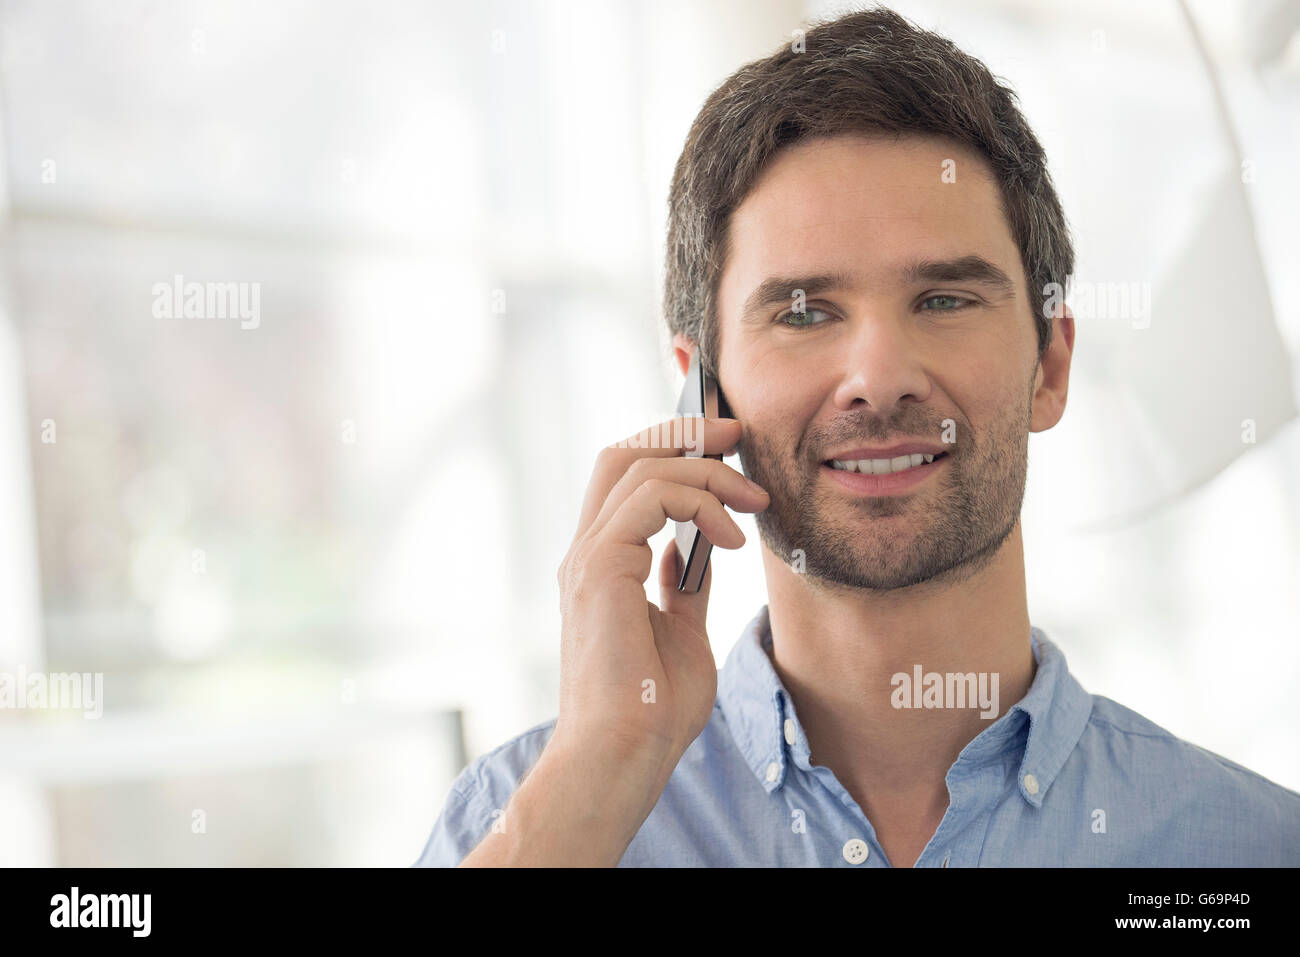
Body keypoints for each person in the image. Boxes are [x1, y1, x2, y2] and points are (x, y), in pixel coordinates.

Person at [415, 6, 1300, 867]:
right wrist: (598, 771)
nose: (879, 376)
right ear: (701, 385)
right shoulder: (528, 818)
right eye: (803, 312)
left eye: (945, 299)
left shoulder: (1254, 847)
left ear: (1051, 366)